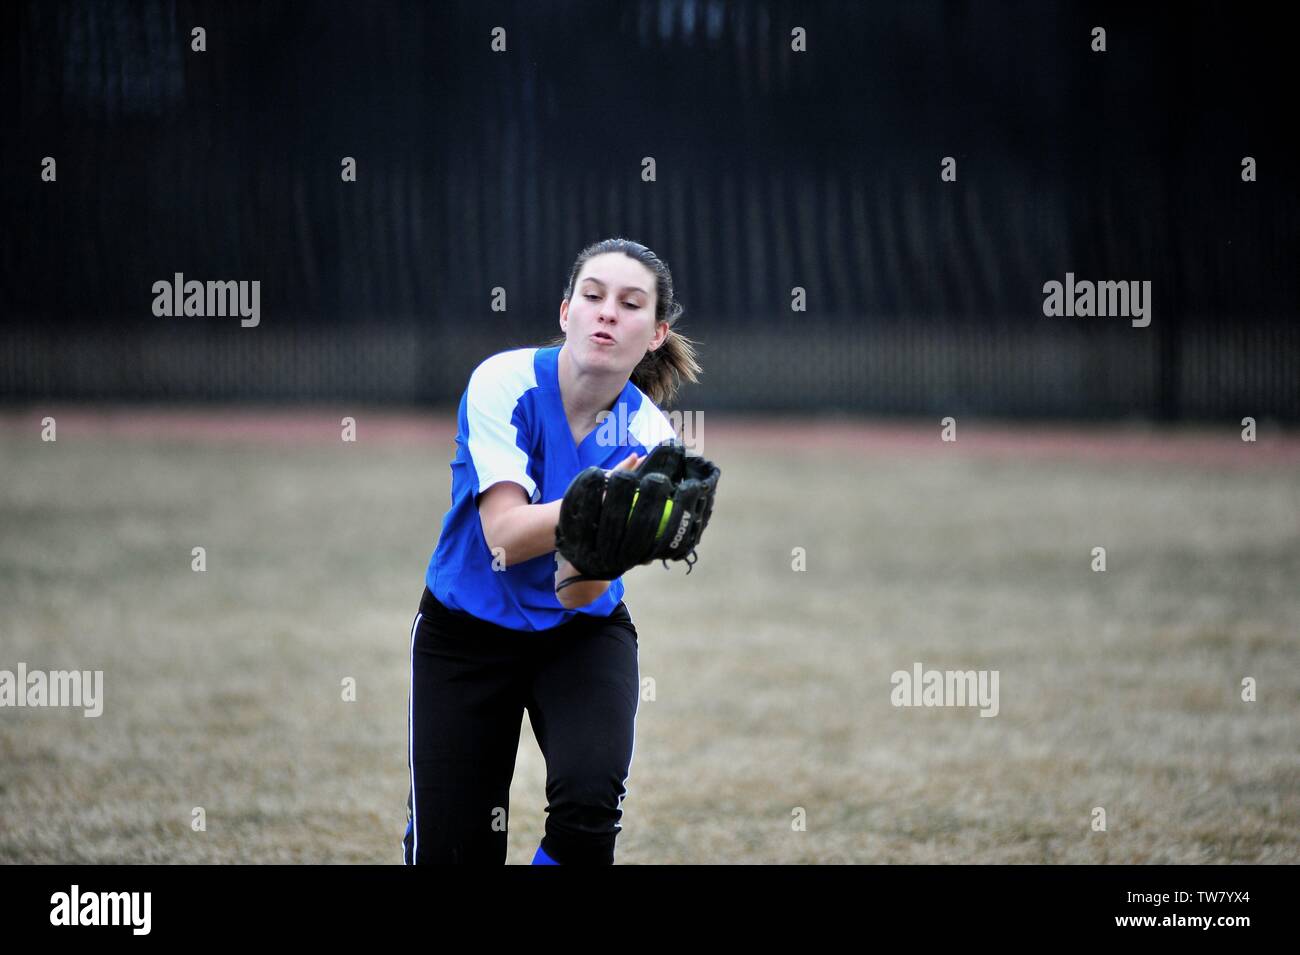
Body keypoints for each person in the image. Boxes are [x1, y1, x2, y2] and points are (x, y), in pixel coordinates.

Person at [403, 237, 702, 864]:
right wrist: (601, 503)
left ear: (656, 333)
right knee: (456, 853)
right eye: (592, 296)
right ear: (566, 312)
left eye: (630, 303)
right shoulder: (503, 380)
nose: (607, 313)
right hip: (465, 633)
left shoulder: (649, 435)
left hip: (580, 633)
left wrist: (613, 543)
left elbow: (577, 588)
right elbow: (505, 539)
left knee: (588, 811)